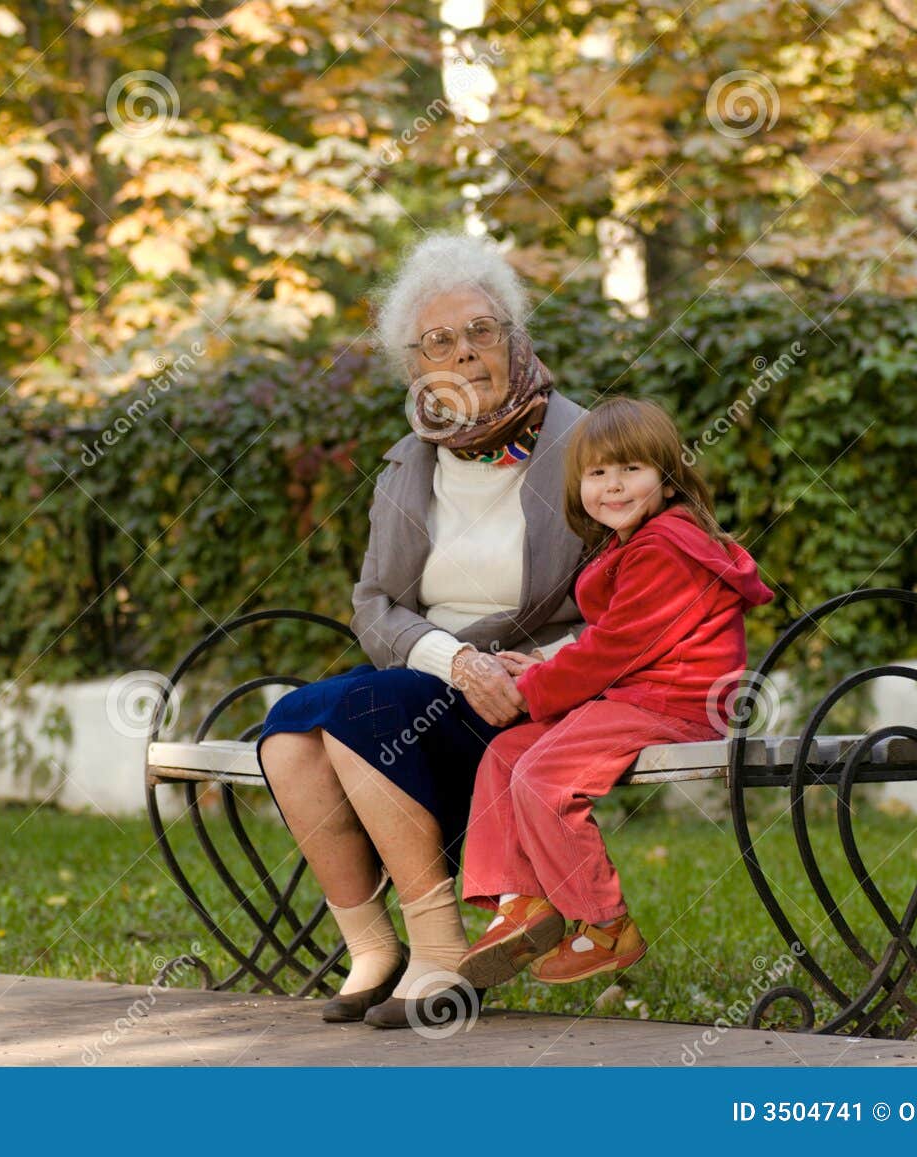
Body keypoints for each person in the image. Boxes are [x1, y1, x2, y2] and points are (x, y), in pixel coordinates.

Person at [255, 232, 590, 1028]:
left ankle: (440, 951)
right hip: (435, 679)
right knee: (286, 727)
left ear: (516, 339)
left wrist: (514, 665)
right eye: (439, 340)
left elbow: (616, 598)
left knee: (360, 710)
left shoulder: (582, 443)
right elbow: (374, 606)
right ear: (417, 368)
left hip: (533, 689)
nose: (465, 353)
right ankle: (372, 947)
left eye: (482, 331)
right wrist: (455, 658)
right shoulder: (409, 461)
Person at [457, 396, 774, 990]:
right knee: (504, 754)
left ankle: (606, 924)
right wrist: (546, 666)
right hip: (637, 697)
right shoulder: (637, 544)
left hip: (676, 703)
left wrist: (532, 688)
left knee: (543, 777)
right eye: (598, 473)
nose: (614, 486)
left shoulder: (663, 547)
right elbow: (616, 640)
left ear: (667, 475)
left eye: (631, 469)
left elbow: (614, 650)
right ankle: (522, 903)